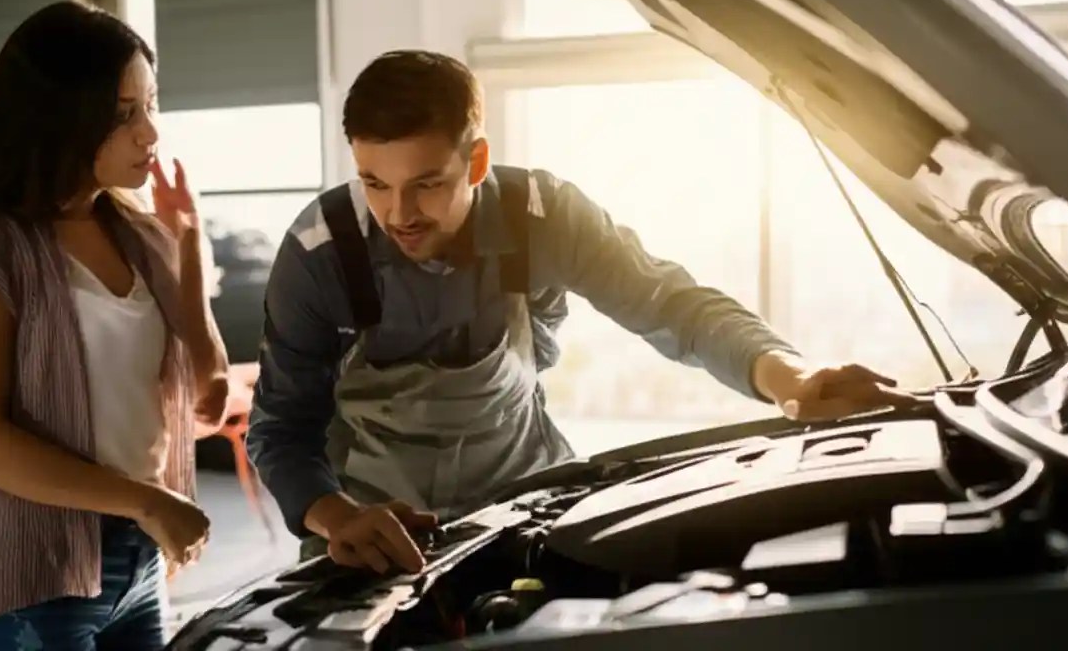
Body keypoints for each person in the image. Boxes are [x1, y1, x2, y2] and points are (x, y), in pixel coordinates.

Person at [248, 49, 912, 576]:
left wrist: (789, 378)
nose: (399, 215)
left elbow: (670, 304)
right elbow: (281, 430)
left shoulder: (543, 215)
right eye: (375, 184)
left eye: (428, 184)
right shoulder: (319, 253)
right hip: (371, 531)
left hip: (521, 506)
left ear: (475, 160)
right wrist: (335, 519)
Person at [0, 1, 231, 651]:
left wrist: (189, 248)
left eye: (151, 105)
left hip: (138, 564)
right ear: (57, 115)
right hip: (24, 577)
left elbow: (209, 392)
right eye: (123, 114)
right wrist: (146, 500)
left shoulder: (138, 234)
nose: (150, 133)